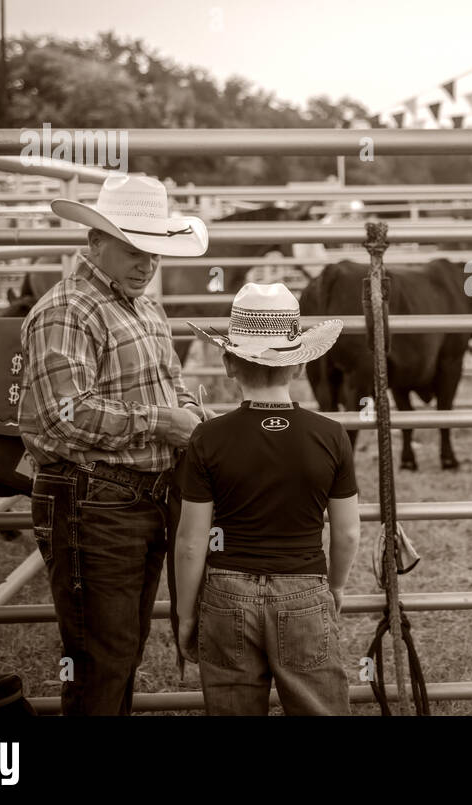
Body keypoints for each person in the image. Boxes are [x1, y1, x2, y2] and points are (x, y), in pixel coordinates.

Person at [20, 172, 210, 716]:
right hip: (92, 499)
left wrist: (191, 412)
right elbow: (62, 418)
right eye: (133, 249)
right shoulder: (68, 309)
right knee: (104, 654)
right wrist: (162, 423)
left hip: (135, 498)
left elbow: (168, 383)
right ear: (94, 242)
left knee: (119, 647)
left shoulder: (145, 306)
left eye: (154, 251)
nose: (147, 263)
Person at [173, 283, 357, 715]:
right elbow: (347, 532)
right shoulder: (331, 436)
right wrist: (337, 587)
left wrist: (185, 613)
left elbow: (191, 542)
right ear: (297, 367)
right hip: (304, 589)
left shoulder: (207, 438)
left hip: (226, 591)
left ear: (228, 363)